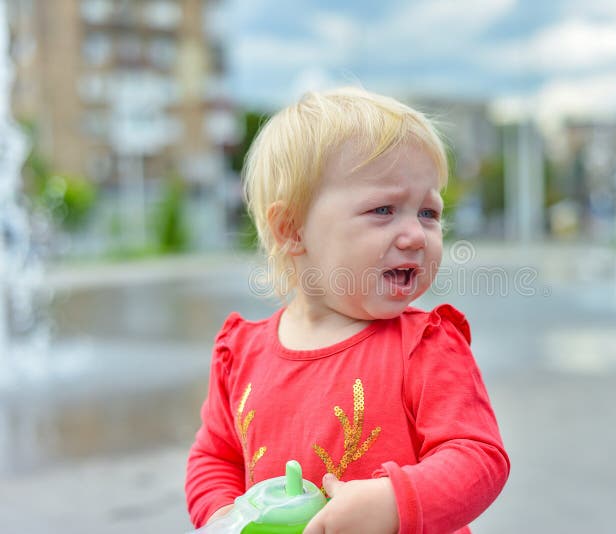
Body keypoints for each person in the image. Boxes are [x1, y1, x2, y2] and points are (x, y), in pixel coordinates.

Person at [185, 87, 510, 533]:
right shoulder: (239, 354)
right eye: (383, 209)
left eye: (429, 213)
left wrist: (395, 502)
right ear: (292, 230)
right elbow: (215, 456)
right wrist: (224, 517)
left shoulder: (426, 346)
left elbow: (479, 458)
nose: (415, 235)